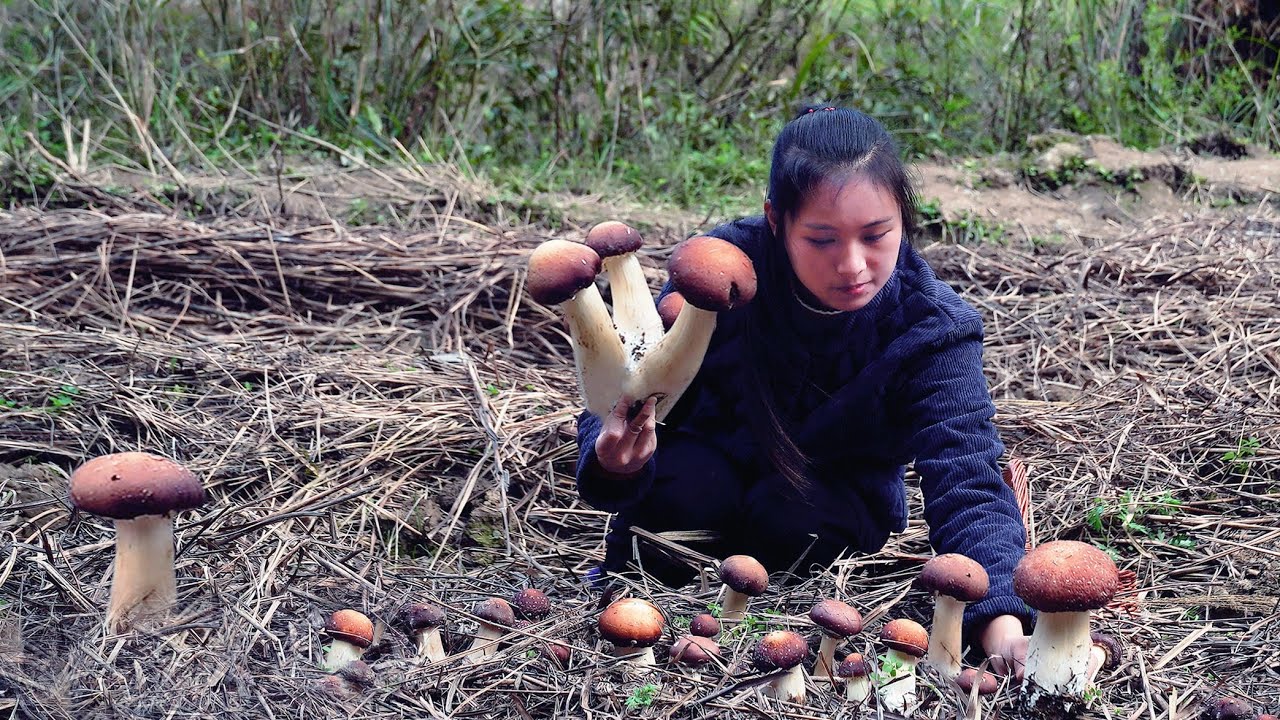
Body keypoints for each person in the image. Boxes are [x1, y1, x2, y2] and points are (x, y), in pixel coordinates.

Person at [574, 105, 1032, 676]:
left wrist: (1002, 619)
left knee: (793, 518)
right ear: (775, 219)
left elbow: (967, 474)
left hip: (821, 527)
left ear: (905, 220)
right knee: (690, 490)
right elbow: (631, 372)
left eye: (876, 235)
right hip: (686, 499)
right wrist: (613, 458)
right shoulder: (723, 267)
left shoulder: (931, 329)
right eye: (821, 239)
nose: (853, 265)